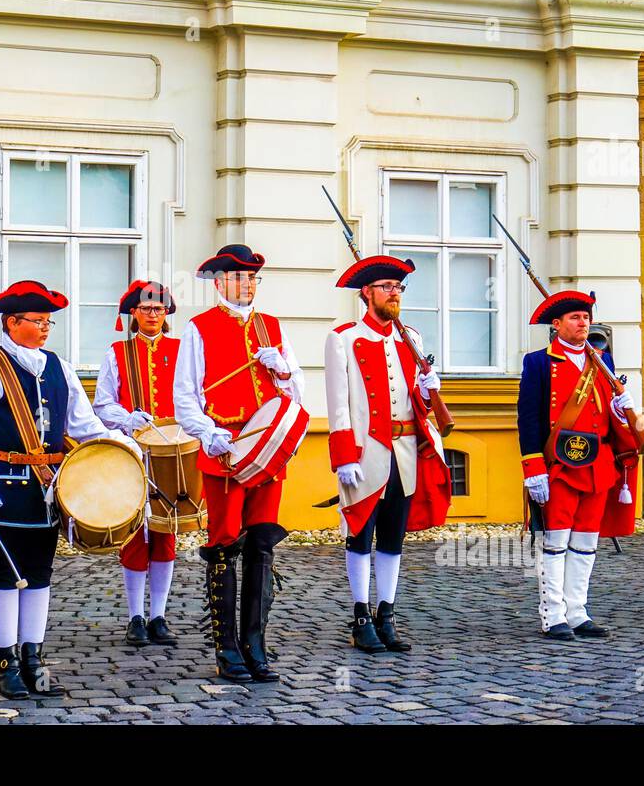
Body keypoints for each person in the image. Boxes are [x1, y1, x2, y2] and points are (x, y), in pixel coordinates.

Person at [0, 280, 140, 699]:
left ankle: (34, 658)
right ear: (12, 322)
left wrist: (119, 443)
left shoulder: (59, 366)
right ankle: (6, 663)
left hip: (48, 490)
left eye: (48, 322)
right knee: (4, 576)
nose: (44, 329)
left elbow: (83, 423)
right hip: (3, 489)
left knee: (39, 576)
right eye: (37, 322)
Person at [174, 245, 304, 683]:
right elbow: (185, 397)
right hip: (226, 449)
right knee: (225, 543)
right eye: (238, 278)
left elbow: (295, 393)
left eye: (252, 279)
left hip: (267, 450)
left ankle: (255, 643)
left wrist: (283, 370)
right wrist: (207, 432)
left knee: (261, 543)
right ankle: (226, 647)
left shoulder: (272, 327)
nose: (246, 285)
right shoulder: (199, 328)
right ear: (219, 283)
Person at [323, 256, 451, 654]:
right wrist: (344, 456)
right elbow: (338, 403)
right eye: (387, 287)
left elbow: (421, 405)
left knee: (394, 537)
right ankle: (361, 616)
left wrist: (429, 386)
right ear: (367, 292)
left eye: (399, 287)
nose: (395, 293)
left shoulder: (411, 337)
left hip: (406, 449)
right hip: (365, 452)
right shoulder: (342, 337)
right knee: (360, 534)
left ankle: (387, 614)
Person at [516, 290, 638, 640]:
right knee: (555, 541)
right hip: (561, 464)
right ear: (556, 325)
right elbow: (529, 419)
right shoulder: (539, 363)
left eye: (586, 317)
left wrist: (621, 408)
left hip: (597, 461)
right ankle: (553, 613)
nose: (583, 322)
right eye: (575, 317)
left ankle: (578, 611)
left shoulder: (602, 361)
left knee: (586, 540)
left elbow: (607, 413)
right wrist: (533, 467)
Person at [93, 280, 181, 647]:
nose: (152, 315)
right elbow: (102, 403)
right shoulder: (117, 352)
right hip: (133, 451)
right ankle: (135, 616)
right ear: (134, 314)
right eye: (145, 309)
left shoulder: (182, 349)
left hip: (172, 451)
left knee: (166, 532)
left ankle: (159, 614)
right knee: (135, 533)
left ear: (166, 314)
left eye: (158, 309)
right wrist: (127, 418)